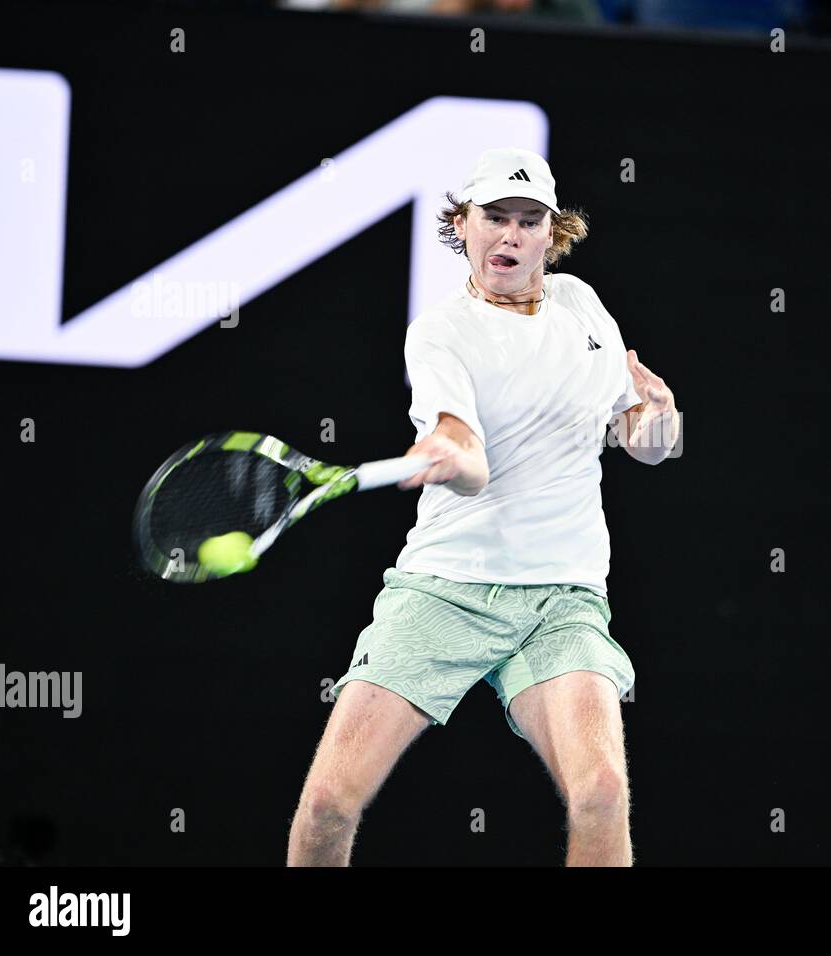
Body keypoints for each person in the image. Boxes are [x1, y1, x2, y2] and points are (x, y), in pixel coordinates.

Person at [286, 147, 678, 867]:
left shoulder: (583, 307)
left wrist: (658, 412)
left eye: (530, 221)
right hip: (445, 589)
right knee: (327, 807)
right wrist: (453, 458)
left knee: (600, 792)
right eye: (495, 216)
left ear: (552, 235)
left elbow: (647, 446)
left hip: (562, 595)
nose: (512, 235)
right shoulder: (440, 332)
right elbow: (463, 456)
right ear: (461, 225)